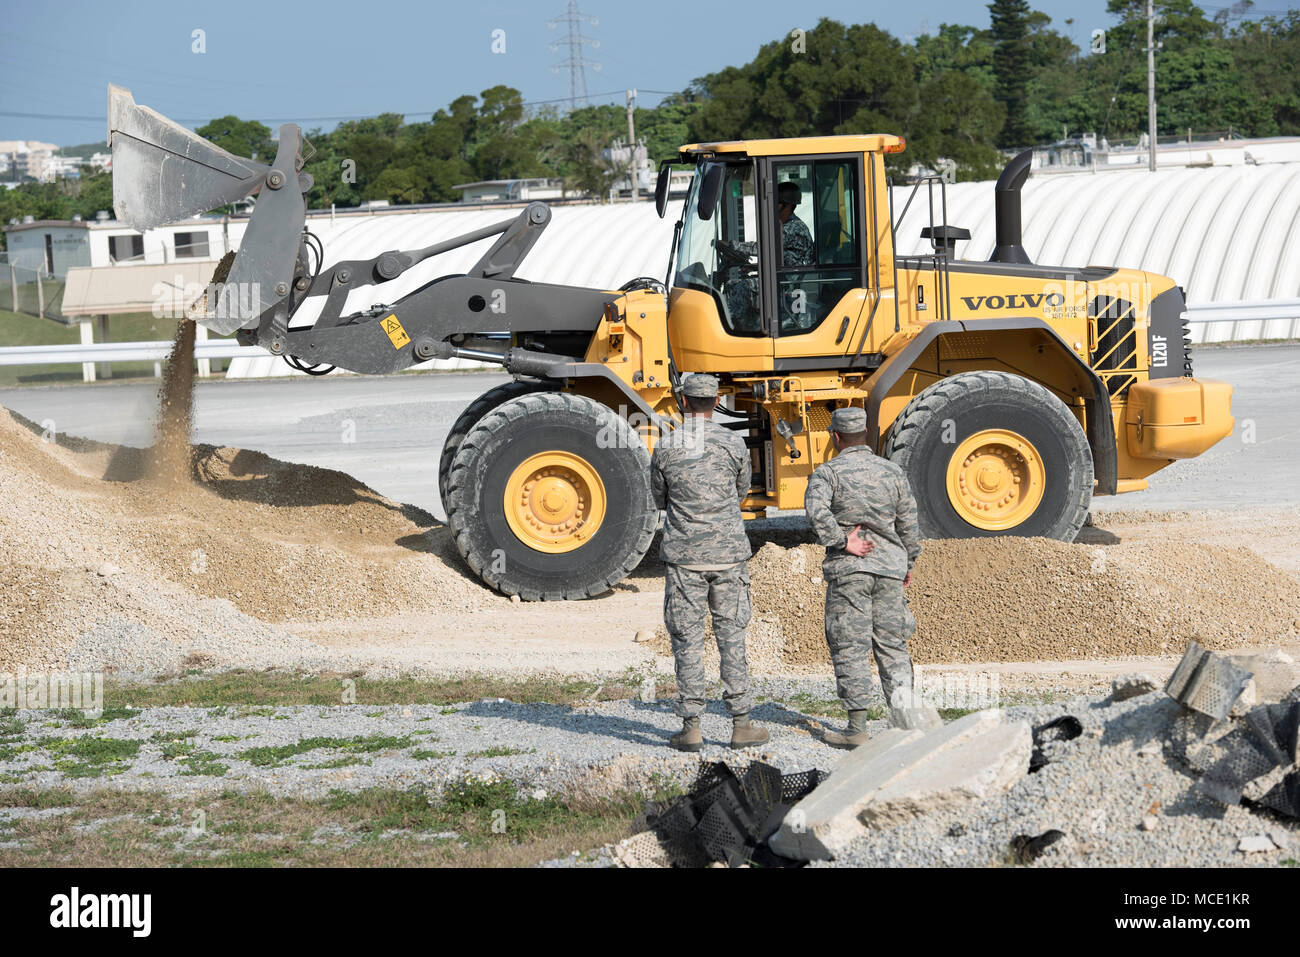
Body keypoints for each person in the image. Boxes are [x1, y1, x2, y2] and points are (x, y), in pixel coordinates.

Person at [650, 373, 768, 751]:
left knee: (687, 640)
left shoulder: (666, 445)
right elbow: (741, 489)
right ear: (716, 400)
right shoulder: (733, 442)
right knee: (731, 637)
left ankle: (692, 727)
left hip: (685, 559)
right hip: (729, 556)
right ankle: (741, 724)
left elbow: (659, 497)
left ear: (684, 401)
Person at [803, 406, 925, 748]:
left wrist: (844, 541)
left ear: (836, 438)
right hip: (889, 570)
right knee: (892, 646)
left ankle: (856, 729)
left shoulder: (828, 474)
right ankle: (906, 725)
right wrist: (907, 564)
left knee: (850, 645)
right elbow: (909, 526)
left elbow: (815, 511)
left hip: (850, 571)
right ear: (867, 436)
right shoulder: (893, 473)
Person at [720, 181, 814, 329]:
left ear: (787, 206)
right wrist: (753, 267)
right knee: (738, 282)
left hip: (787, 281)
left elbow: (765, 248)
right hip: (784, 275)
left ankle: (732, 329)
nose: (771, 206)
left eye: (776, 202)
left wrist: (732, 245)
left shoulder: (793, 228)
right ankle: (749, 324)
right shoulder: (786, 226)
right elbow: (782, 257)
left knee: (739, 287)